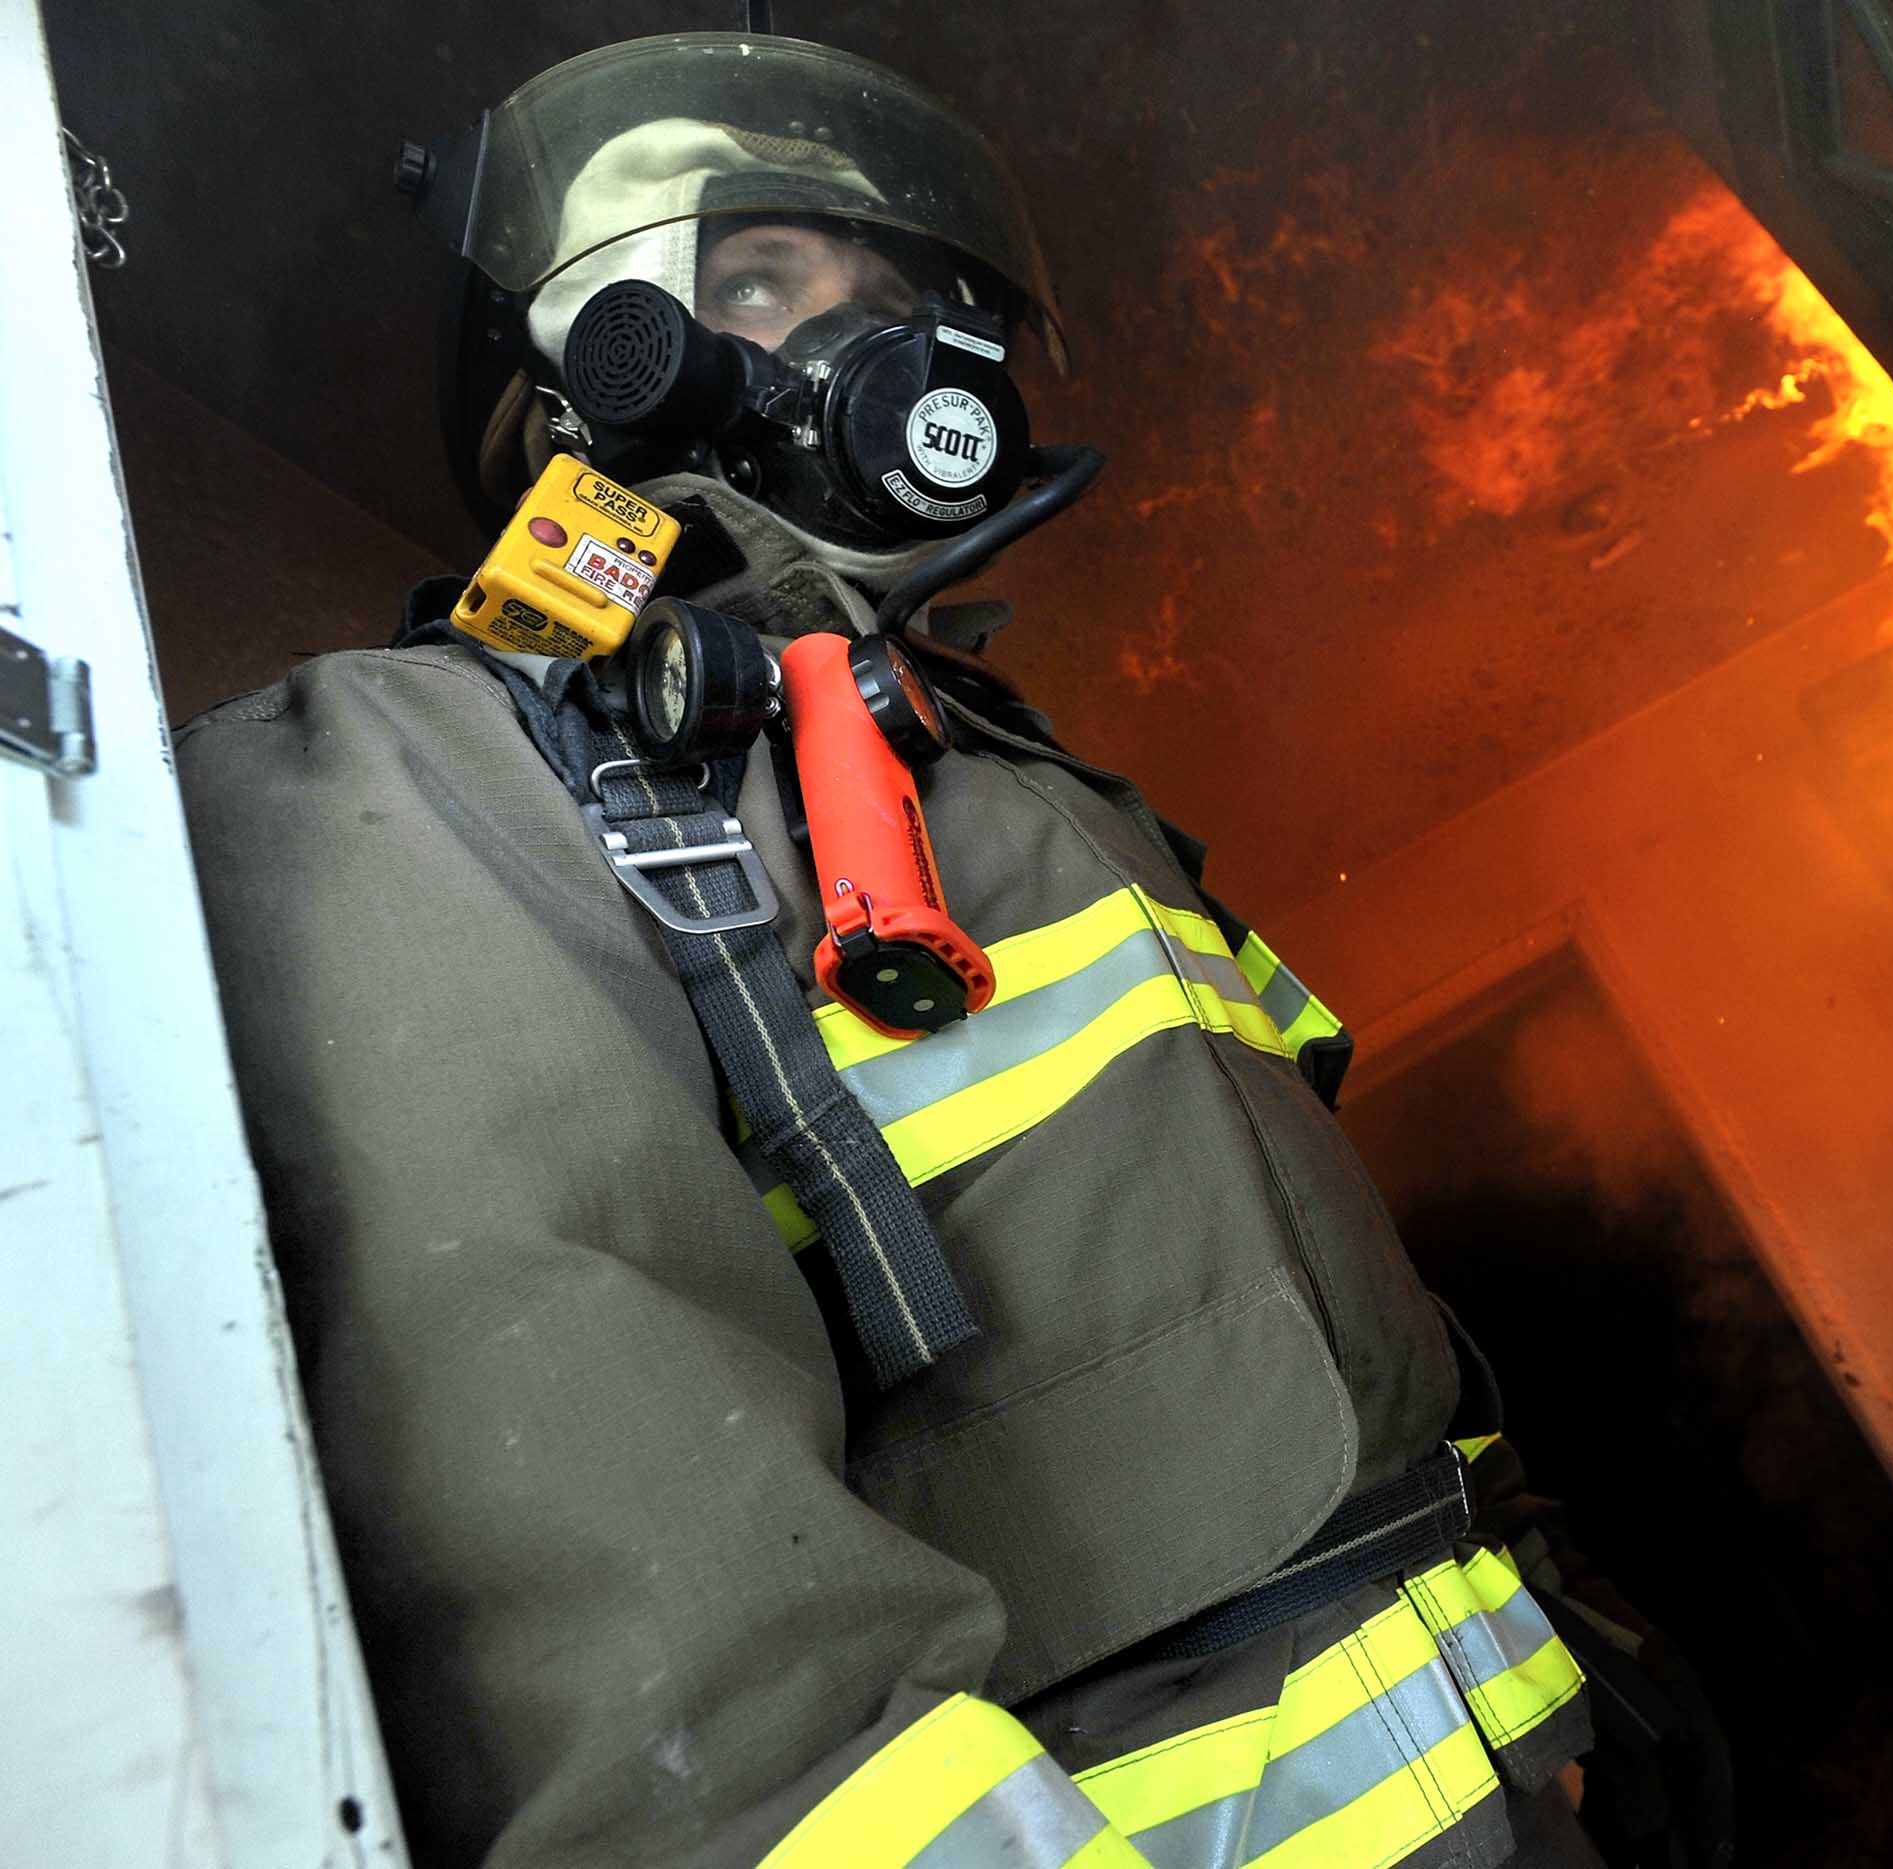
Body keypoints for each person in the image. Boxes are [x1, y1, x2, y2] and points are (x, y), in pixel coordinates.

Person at [175, 31, 1664, 1868]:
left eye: (897, 297)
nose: (875, 348)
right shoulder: (424, 779)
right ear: (606, 365)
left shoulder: (1011, 777)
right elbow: (698, 1716)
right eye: (763, 285)